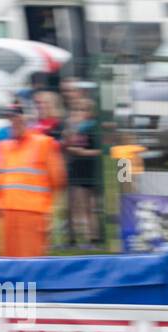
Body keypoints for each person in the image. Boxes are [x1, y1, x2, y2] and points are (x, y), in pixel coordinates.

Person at [0, 104, 64, 257]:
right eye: (10, 119)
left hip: (32, 215)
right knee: (9, 263)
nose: (13, 123)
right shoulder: (3, 147)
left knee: (30, 262)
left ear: (26, 119)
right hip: (7, 213)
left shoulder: (43, 144)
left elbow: (57, 180)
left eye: (16, 118)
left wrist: (50, 212)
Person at [64, 97, 101, 248]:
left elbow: (102, 150)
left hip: (91, 171)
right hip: (76, 171)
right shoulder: (74, 127)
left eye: (85, 109)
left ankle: (94, 238)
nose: (81, 113)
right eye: (78, 109)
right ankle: (73, 238)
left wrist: (83, 152)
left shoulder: (94, 128)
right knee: (75, 206)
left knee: (90, 207)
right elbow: (68, 145)